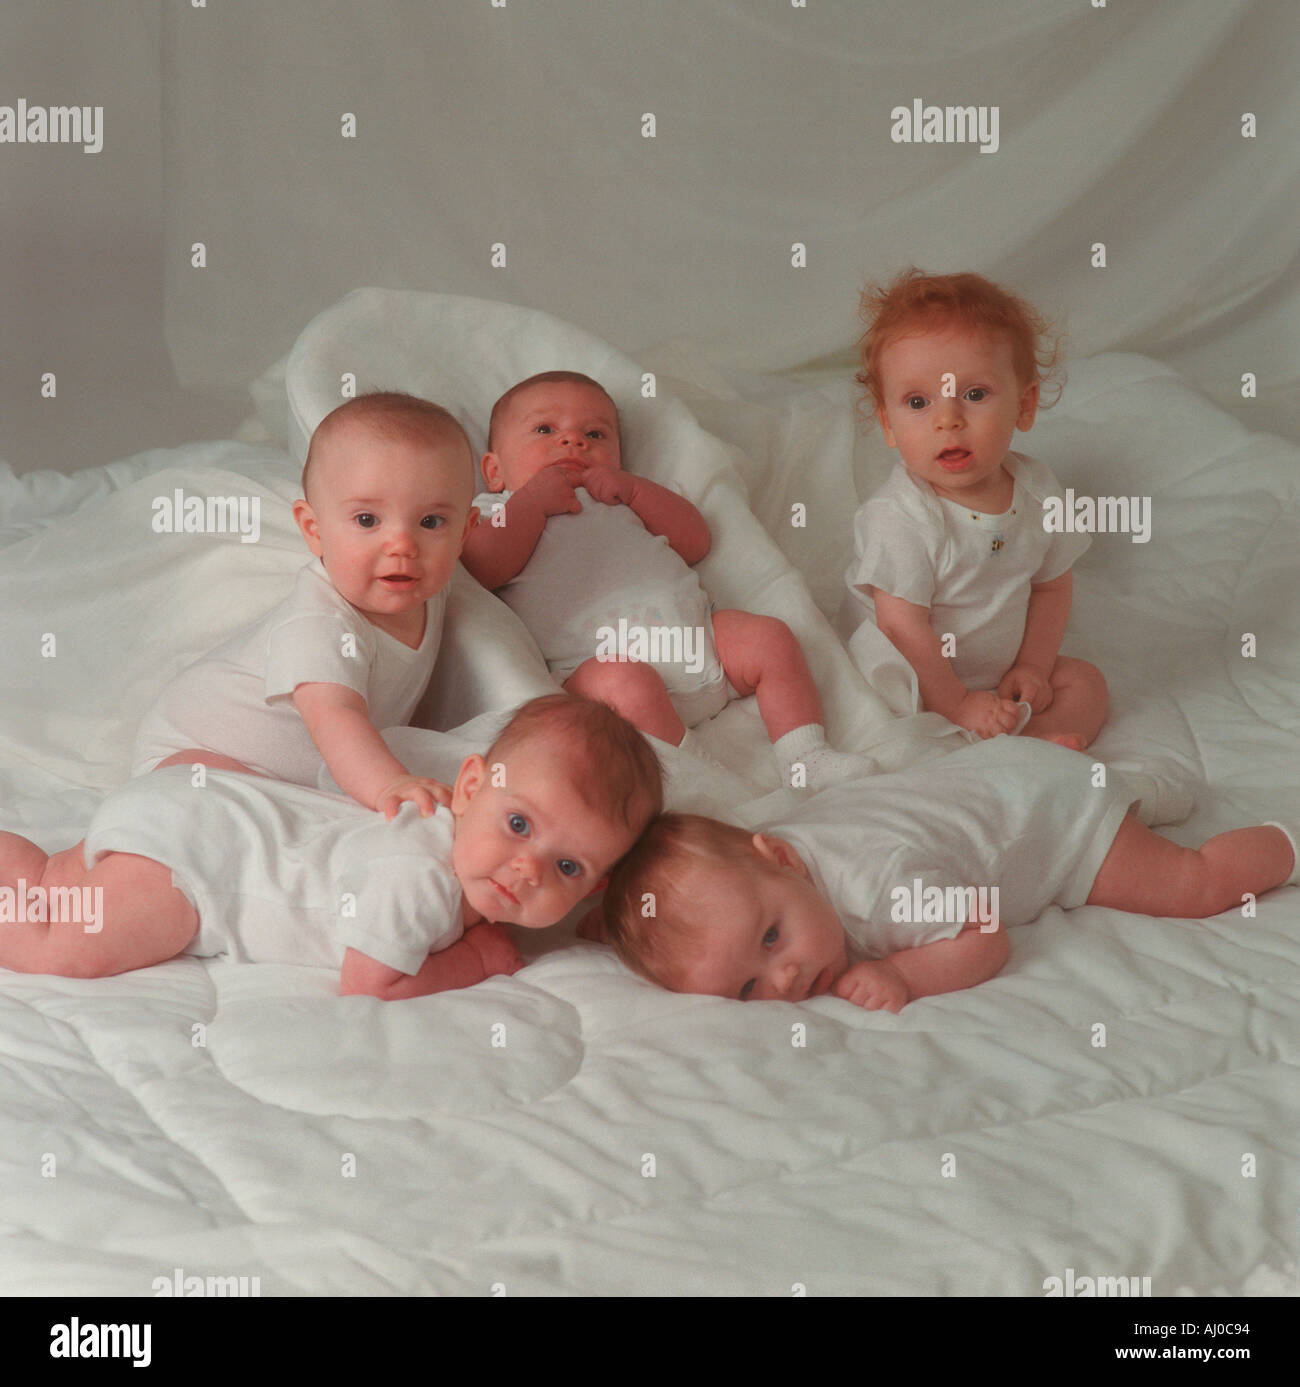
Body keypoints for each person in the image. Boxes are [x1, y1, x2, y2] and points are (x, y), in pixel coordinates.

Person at [0, 694, 663, 1001]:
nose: (527, 867)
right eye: (518, 825)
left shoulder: (439, 830)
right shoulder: (423, 878)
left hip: (203, 801)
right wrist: (476, 960)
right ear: (469, 788)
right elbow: (369, 981)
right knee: (58, 942)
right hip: (192, 867)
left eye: (567, 866)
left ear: (592, 889)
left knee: (56, 875)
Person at [601, 737, 1298, 1011]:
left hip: (1054, 821)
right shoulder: (770, 851)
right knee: (1108, 788)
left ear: (781, 860)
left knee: (1192, 884)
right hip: (1004, 765)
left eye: (773, 936)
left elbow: (984, 931)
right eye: (747, 985)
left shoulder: (877, 891)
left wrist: (906, 975)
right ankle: (1141, 785)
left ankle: (1281, 844)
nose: (782, 978)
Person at [461, 370, 871, 789]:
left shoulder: (623, 496)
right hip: (595, 664)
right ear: (494, 471)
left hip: (698, 639)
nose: (574, 441)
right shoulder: (496, 510)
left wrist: (636, 493)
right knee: (623, 681)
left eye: (596, 434)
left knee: (770, 637)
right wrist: (530, 502)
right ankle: (699, 778)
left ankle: (806, 755)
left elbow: (695, 541)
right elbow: (483, 567)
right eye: (545, 429)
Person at [132, 392, 478, 816]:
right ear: (313, 530)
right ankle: (60, 870)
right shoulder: (322, 623)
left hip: (291, 771)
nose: (402, 545)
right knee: (235, 828)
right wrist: (391, 784)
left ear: (465, 532)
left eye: (431, 522)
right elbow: (338, 719)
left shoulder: (431, 590)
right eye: (367, 520)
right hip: (196, 758)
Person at [845, 269, 1108, 749]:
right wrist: (960, 703)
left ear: (1024, 405)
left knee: (1086, 684)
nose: (948, 420)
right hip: (919, 678)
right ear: (887, 423)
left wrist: (1033, 666)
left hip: (999, 675)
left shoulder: (1039, 492)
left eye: (974, 394)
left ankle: (1036, 749)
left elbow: (1052, 587)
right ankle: (983, 759)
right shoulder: (902, 517)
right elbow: (902, 628)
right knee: (893, 729)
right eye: (918, 401)